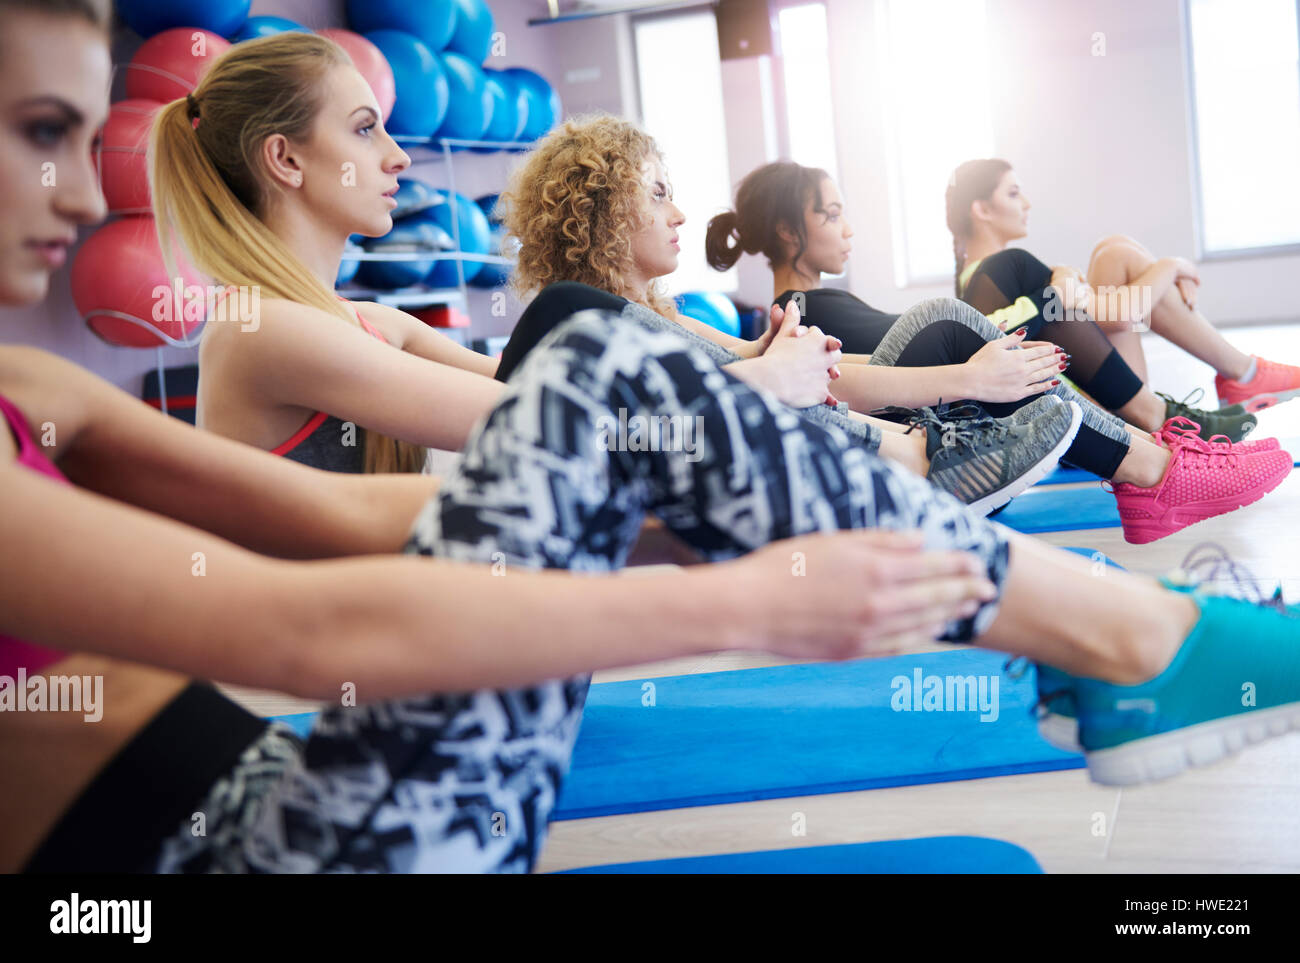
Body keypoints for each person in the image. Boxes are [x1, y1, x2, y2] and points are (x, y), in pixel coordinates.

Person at [6, 0, 1300, 876]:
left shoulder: (154, 357)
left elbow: (356, 515)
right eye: (42, 134)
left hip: (337, 769)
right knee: (590, 352)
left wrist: (709, 513)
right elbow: (314, 623)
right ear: (286, 163)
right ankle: (1102, 606)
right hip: (306, 840)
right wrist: (740, 587)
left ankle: (1082, 608)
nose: (75, 186)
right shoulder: (267, 335)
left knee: (597, 361)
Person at [498, 114, 1087, 518]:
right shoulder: (585, 318)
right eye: (656, 195)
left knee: (931, 324)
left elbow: (765, 368)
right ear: (600, 214)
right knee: (938, 326)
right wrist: (962, 382)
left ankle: (926, 450)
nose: (678, 214)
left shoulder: (660, 315)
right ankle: (926, 456)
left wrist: (781, 359)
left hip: (727, 447)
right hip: (672, 470)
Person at [705, 159, 1291, 544]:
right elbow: (847, 388)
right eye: (830, 215)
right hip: (948, 431)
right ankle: (1166, 441)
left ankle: (1173, 439)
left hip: (966, 408)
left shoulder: (814, 306)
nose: (848, 229)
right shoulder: (798, 314)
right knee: (982, 308)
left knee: (1099, 262)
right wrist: (978, 368)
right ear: (788, 232)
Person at [948, 158, 1300, 418]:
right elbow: (1123, 317)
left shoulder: (990, 276)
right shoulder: (999, 274)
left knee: (1113, 251)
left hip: (1096, 396)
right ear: (982, 210)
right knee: (1118, 255)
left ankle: (1242, 373)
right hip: (1097, 410)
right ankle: (1244, 373)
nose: (1026, 204)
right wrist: (1173, 266)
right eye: (1013, 193)